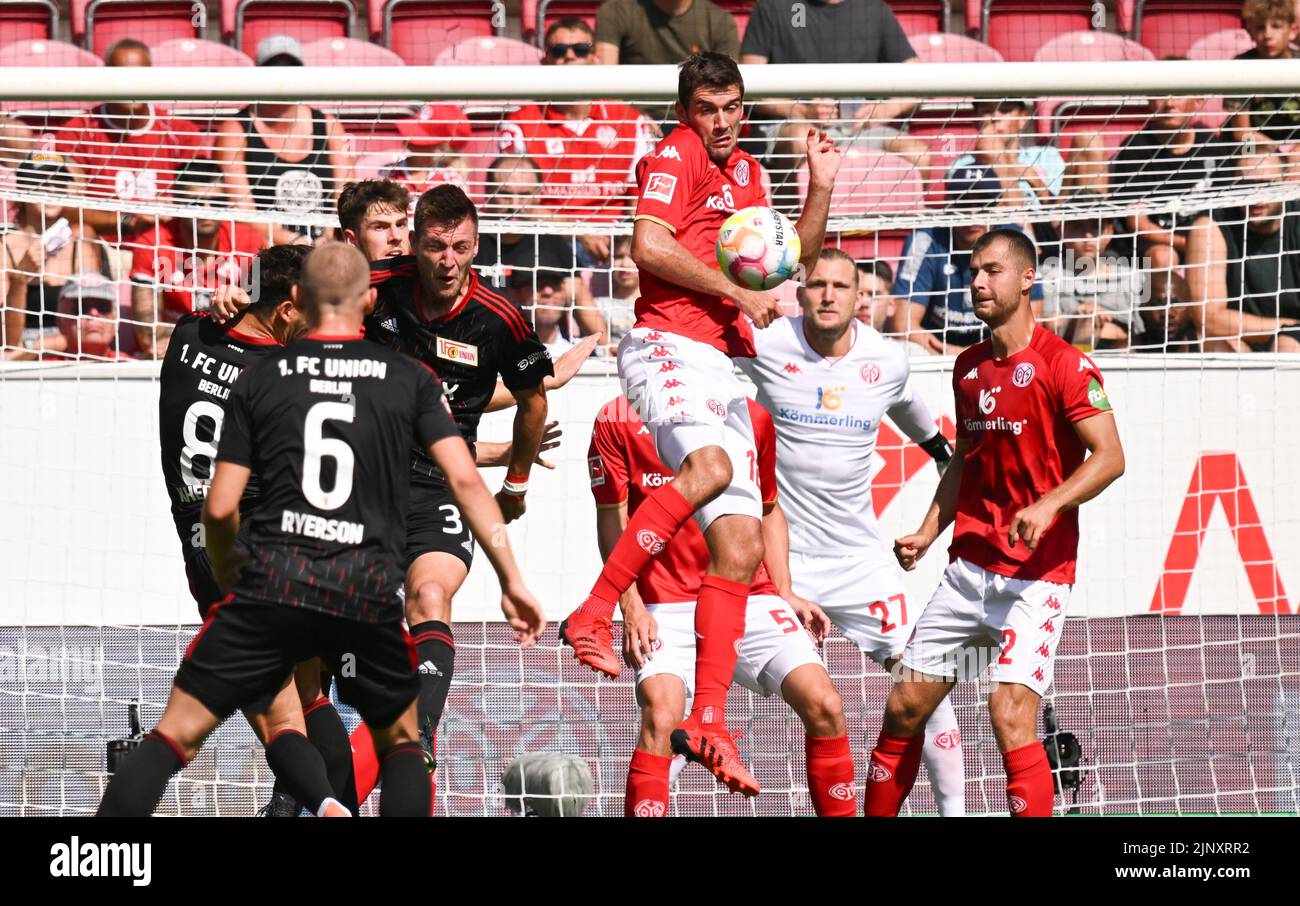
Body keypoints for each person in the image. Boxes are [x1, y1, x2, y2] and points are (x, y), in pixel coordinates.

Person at [96, 242, 545, 818]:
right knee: (399, 739)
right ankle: (335, 806)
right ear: (370, 299)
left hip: (236, 569)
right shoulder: (385, 379)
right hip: (332, 575)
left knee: (179, 736)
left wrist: (237, 579)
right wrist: (511, 575)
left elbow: (218, 507)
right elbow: (460, 477)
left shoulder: (212, 349)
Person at [559, 52, 841, 797]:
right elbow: (647, 247)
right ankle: (593, 610)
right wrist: (733, 293)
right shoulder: (674, 155)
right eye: (709, 108)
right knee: (710, 470)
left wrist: (821, 186)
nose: (722, 122)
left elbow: (790, 261)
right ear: (688, 110)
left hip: (721, 361)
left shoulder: (749, 174)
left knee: (740, 542)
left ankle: (711, 717)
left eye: (733, 108)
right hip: (667, 344)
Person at [865, 229, 1125, 818]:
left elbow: (1111, 457)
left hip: (1036, 579)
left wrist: (1049, 504)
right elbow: (966, 459)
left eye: (992, 271)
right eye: (974, 272)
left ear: (1027, 278)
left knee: (1009, 714)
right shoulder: (968, 367)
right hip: (969, 571)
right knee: (906, 706)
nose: (978, 282)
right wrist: (930, 530)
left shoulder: (1066, 365)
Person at [736, 248, 966, 816]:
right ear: (800, 291)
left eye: (842, 286)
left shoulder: (886, 360)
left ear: (861, 297)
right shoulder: (766, 344)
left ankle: (955, 812)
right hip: (781, 564)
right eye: (817, 285)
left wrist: (939, 450)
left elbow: (908, 405)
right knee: (716, 683)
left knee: (928, 689)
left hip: (861, 562)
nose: (829, 295)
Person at [153, 243, 361, 817]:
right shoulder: (284, 380)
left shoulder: (188, 336)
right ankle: (327, 804)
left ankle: (325, 802)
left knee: (299, 706)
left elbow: (216, 318)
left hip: (201, 552)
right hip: (265, 550)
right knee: (294, 716)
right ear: (288, 311)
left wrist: (223, 303)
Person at [364, 185, 554, 786]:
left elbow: (533, 404)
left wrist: (517, 484)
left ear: (476, 245)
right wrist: (238, 295)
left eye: (462, 247)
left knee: (430, 599)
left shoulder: (500, 318)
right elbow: (287, 285)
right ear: (415, 242)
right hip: (362, 479)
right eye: (437, 246)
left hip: (438, 483)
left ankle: (417, 739)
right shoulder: (377, 282)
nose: (448, 261)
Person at [590, 394, 856, 817]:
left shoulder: (751, 416)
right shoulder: (618, 417)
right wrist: (631, 603)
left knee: (826, 704)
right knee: (661, 716)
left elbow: (769, 509)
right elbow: (612, 516)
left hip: (748, 596)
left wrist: (785, 588)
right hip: (666, 604)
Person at [501, 18, 660, 255]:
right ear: (544, 60)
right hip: (547, 242)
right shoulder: (520, 124)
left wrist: (627, 244)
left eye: (581, 50)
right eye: (558, 50)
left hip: (617, 243)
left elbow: (640, 200)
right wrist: (578, 231)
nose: (570, 56)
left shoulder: (628, 119)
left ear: (595, 59)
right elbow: (516, 205)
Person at [739, 0, 929, 183]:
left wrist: (887, 109)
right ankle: (798, 216)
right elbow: (747, 86)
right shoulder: (771, 6)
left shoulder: (874, 8)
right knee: (803, 141)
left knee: (919, 154)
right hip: (791, 125)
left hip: (862, 130)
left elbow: (922, 80)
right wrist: (802, 111)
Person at [56, 39, 205, 243]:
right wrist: (130, 221)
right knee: (79, 233)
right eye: (122, 76)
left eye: (138, 77)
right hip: (103, 247)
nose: (130, 85)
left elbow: (203, 197)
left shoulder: (182, 133)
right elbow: (64, 207)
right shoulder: (78, 132)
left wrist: (174, 205)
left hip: (167, 244)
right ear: (106, 79)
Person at [215, 36, 353, 244]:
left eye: (291, 70)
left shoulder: (329, 125)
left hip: (327, 247)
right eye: (274, 69)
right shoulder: (234, 131)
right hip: (265, 250)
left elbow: (346, 194)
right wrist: (293, 241)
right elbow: (242, 209)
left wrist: (327, 238)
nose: (283, 78)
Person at [128, 157, 269, 358]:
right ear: (177, 202)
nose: (207, 210)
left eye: (217, 202)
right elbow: (148, 335)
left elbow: (262, 323)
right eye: (196, 203)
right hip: (172, 355)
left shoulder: (248, 241)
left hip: (220, 351)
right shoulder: (153, 242)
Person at [893, 164, 1043, 354]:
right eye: (963, 203)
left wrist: (976, 357)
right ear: (950, 204)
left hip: (999, 352)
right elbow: (903, 326)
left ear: (998, 206)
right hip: (937, 352)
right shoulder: (924, 240)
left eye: (983, 204)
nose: (972, 213)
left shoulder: (1018, 240)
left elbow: (1031, 322)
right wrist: (957, 355)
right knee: (907, 349)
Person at [1184, 151, 1300, 351]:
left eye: (1266, 185)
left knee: (1287, 346)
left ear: (1286, 182)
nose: (1256, 196)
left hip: (1291, 342)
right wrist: (1289, 327)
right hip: (1240, 338)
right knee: (1212, 347)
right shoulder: (1210, 227)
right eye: (1245, 185)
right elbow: (1209, 320)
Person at [4, 152, 112, 360]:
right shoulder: (4, 247)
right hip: (16, 355)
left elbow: (92, 327)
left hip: (71, 351)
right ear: (22, 190)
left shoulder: (77, 244)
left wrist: (37, 346)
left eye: (59, 184)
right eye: (42, 183)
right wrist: (19, 280)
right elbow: (8, 341)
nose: (52, 190)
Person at [1039, 195, 1147, 350]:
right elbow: (1049, 324)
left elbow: (1136, 332)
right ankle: (1084, 371)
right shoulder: (1049, 274)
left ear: (1109, 232)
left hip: (1120, 355)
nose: (1088, 236)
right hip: (1070, 352)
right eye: (1078, 228)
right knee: (1087, 321)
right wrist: (1080, 316)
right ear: (1060, 231)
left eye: (1096, 228)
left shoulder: (1130, 276)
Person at [1228, 0, 1300, 176]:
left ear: (1293, 31)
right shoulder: (1240, 67)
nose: (1267, 35)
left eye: (1276, 26)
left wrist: (1295, 151)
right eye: (1260, 28)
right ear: (1250, 32)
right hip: (1253, 144)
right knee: (1251, 166)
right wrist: (1277, 153)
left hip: (1296, 147)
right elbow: (1241, 133)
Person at [594, 0, 740, 65]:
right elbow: (604, 79)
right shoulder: (616, 10)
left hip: (696, 118)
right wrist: (636, 117)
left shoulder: (720, 21)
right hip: (631, 119)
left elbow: (725, 86)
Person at [385, 104, 475, 198]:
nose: (407, 138)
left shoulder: (452, 180)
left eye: (419, 136)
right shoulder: (391, 175)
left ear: (440, 147)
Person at [48, 273, 132, 361]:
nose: (94, 313)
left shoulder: (133, 368)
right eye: (81, 307)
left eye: (103, 307)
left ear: (116, 323)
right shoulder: (44, 370)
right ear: (60, 322)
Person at [593, 234, 641, 351]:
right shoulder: (599, 305)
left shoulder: (654, 304)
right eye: (618, 257)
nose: (624, 264)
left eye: (632, 257)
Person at [855, 259, 895, 331]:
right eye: (856, 295)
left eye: (873, 295)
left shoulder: (907, 342)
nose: (864, 304)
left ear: (890, 305)